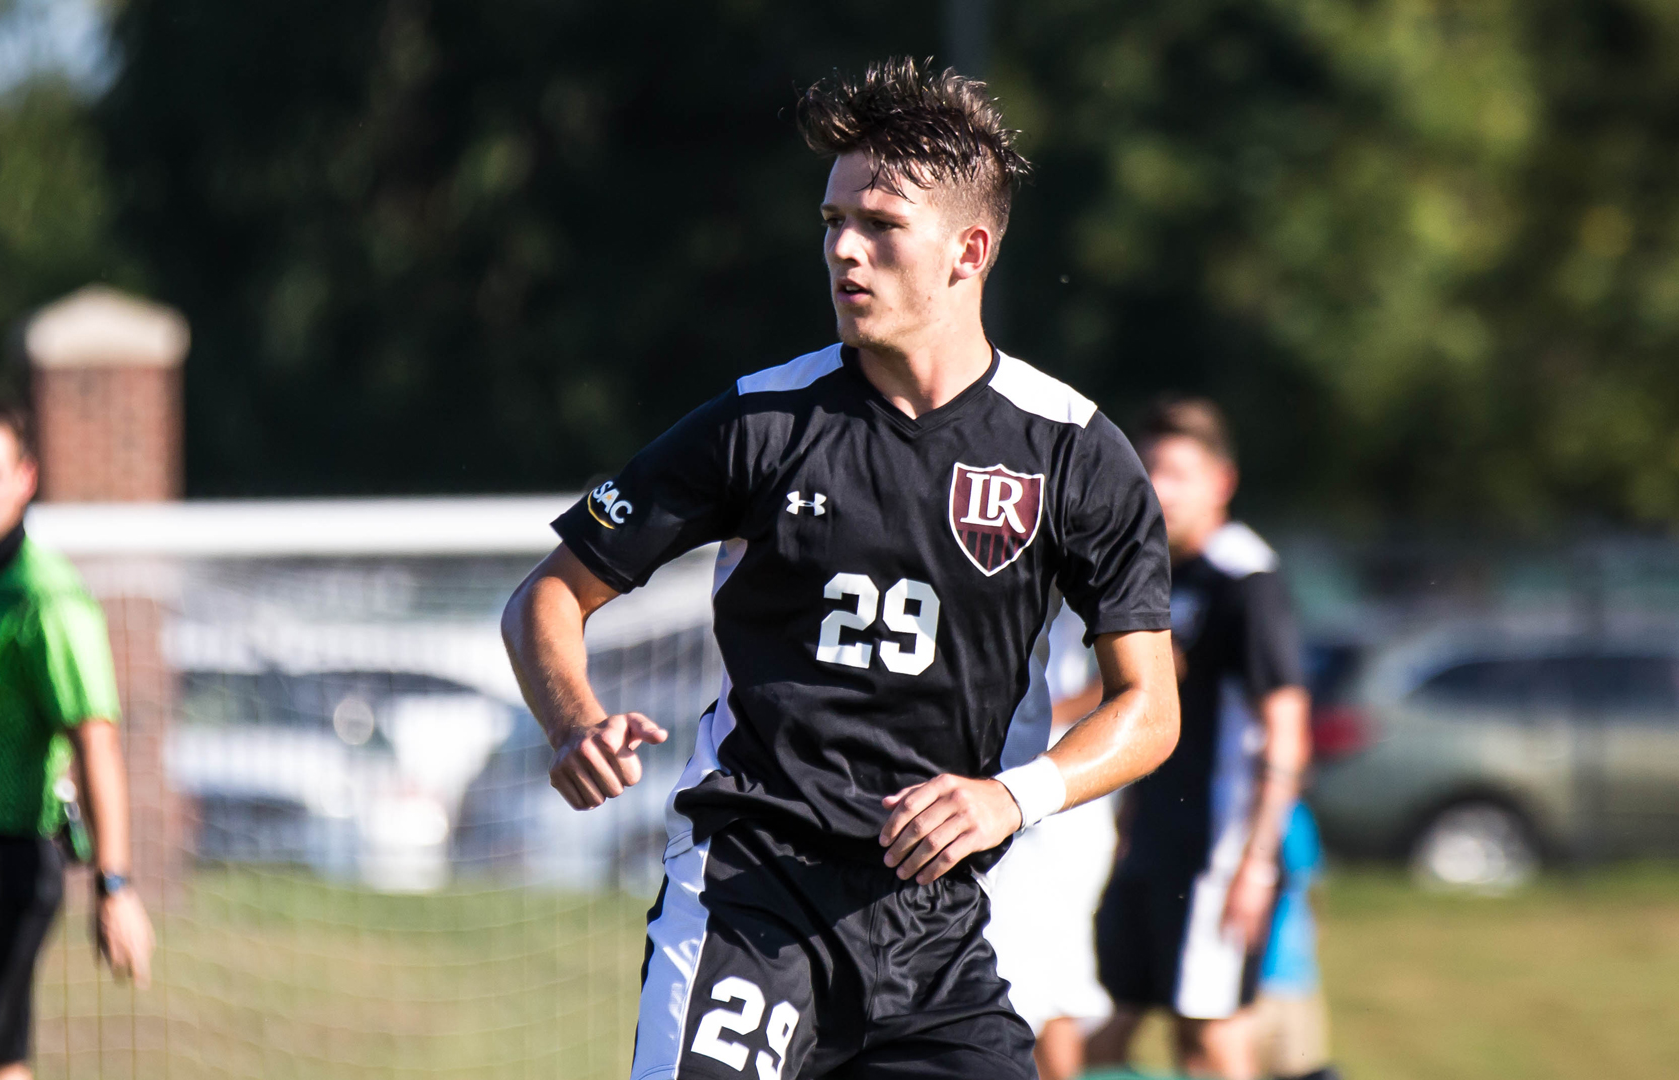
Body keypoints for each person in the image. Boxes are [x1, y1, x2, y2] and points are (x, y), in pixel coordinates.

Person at [501, 58, 1180, 1080]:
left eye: (878, 225)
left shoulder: (1073, 452)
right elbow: (550, 594)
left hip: (936, 929)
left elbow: (1151, 708)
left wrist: (1015, 797)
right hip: (750, 899)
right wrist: (571, 720)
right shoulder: (762, 422)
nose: (844, 253)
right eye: (830, 225)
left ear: (969, 250)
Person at [1088, 398, 1310, 1080]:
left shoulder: (1245, 581)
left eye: (1179, 471)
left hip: (1216, 856)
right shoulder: (1156, 572)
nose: (1159, 487)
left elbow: (1288, 728)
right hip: (1152, 843)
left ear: (1222, 482)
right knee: (1104, 1021)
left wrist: (1256, 863)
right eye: (1150, 467)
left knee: (1210, 1040)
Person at [0, 393, 155, 1080]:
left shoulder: (46, 601)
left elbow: (95, 744)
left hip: (1, 861)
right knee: (1, 1063)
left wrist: (116, 884)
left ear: (25, 480)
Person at [982, 607, 1116, 1080]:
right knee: (1028, 977)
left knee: (1042, 981)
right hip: (1012, 786)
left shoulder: (1078, 540)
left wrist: (1042, 715)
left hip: (1055, 789)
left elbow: (1152, 670)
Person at [1248, 802, 1340, 1080]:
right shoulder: (1290, 814)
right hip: (1273, 975)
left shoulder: (1293, 815)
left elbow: (1308, 884)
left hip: (1288, 974)